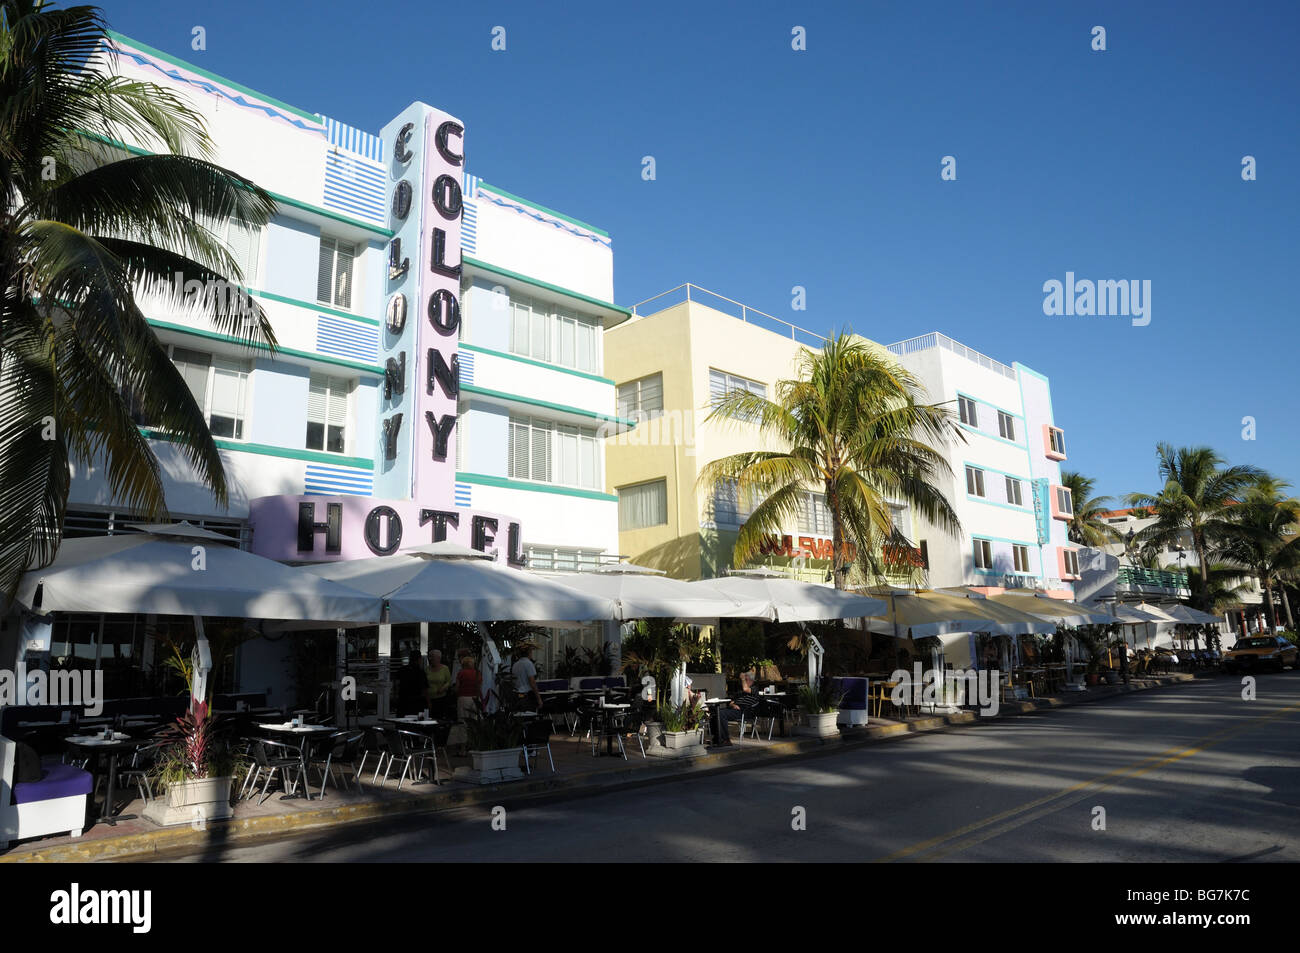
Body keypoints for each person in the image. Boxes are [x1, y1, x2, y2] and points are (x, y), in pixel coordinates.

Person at [718, 671, 762, 739]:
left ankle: (725, 739)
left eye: (746, 680)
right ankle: (717, 738)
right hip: (736, 710)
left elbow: (745, 689)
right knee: (716, 712)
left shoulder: (754, 688)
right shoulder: (740, 690)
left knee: (721, 713)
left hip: (746, 712)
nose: (743, 682)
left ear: (751, 681)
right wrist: (733, 705)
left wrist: (743, 678)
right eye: (744, 680)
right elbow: (731, 701)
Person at [511, 640, 542, 710]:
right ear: (529, 653)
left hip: (517, 696)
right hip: (526, 697)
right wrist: (539, 699)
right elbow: (532, 683)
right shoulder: (528, 664)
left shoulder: (515, 665)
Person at [396, 651, 426, 716]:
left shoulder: (402, 670)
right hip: (416, 702)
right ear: (419, 659)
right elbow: (424, 688)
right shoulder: (420, 672)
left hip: (403, 701)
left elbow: (397, 684)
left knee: (401, 721)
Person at [426, 649, 453, 719]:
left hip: (441, 698)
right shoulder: (426, 669)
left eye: (432, 657)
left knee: (439, 718)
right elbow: (423, 683)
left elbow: (449, 681)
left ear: (439, 658)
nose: (430, 659)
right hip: (428, 698)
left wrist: (443, 688)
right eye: (429, 657)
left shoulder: (445, 668)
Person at [455, 655, 482, 722]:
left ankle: (464, 732)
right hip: (476, 698)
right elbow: (480, 686)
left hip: (463, 698)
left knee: (463, 720)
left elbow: (457, 687)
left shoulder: (461, 673)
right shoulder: (478, 673)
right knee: (475, 720)